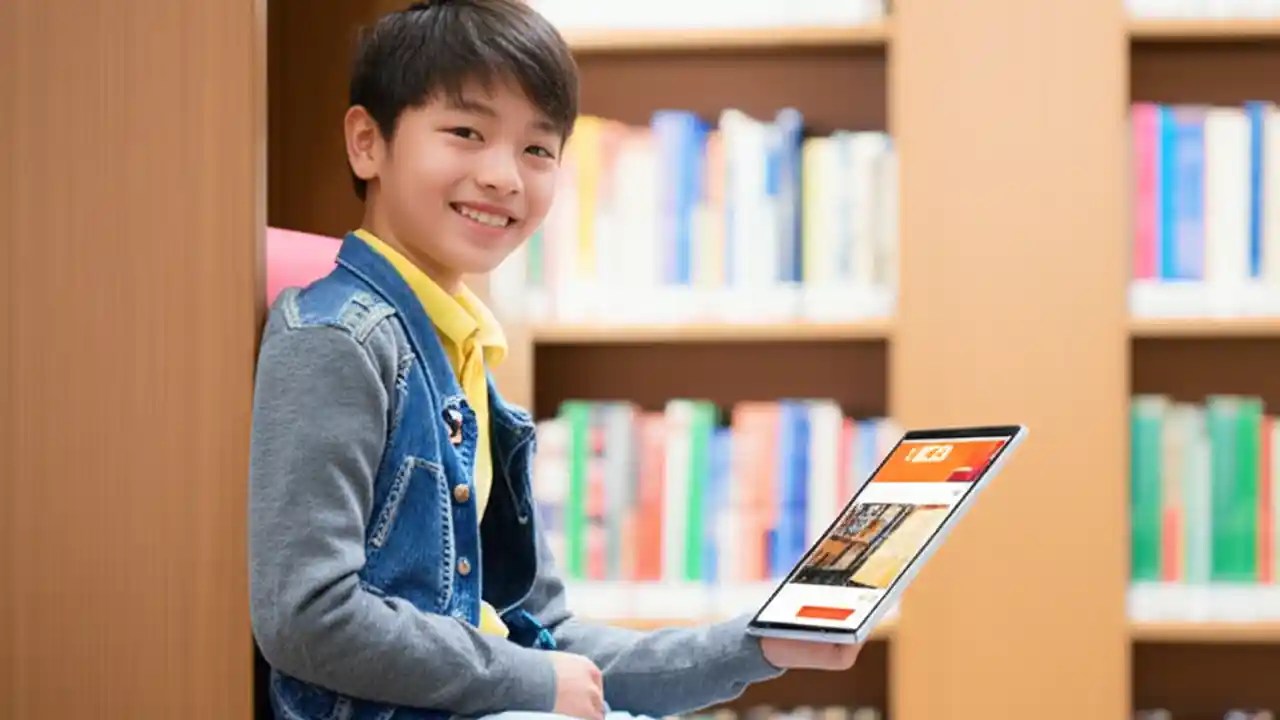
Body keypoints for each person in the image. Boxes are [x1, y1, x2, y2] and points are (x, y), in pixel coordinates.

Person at [247, 2, 862, 719]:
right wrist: (532, 681)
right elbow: (308, 617)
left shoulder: (463, 358)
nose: (504, 176)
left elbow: (548, 640)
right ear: (367, 143)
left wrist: (757, 644)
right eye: (466, 133)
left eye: (537, 150)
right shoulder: (336, 340)